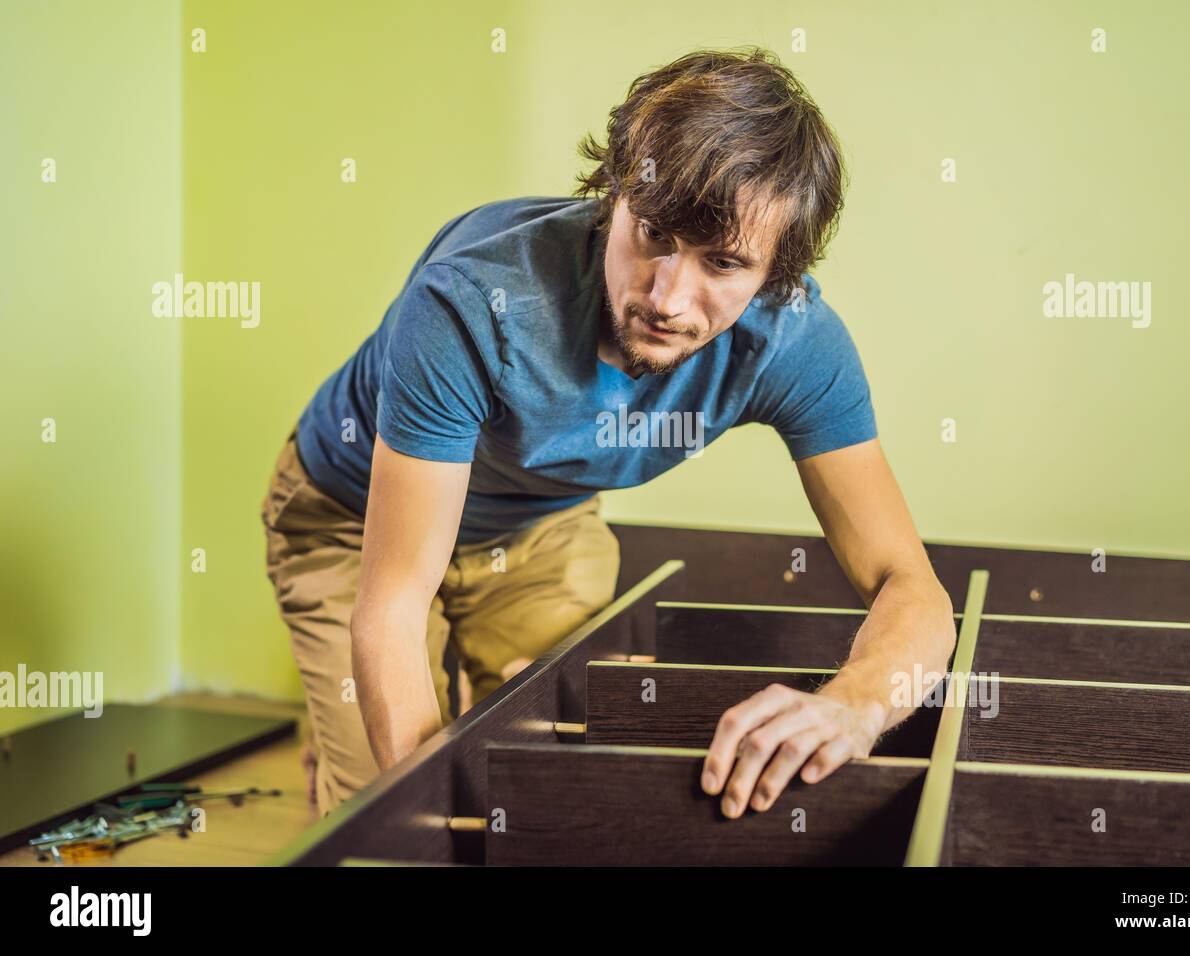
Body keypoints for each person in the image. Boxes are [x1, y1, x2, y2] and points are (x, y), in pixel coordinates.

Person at [262, 47, 956, 817]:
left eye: (723, 263)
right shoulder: (469, 303)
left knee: (554, 758)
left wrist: (854, 704)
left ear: (775, 277)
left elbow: (912, 587)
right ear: (613, 193)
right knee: (381, 813)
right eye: (654, 235)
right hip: (350, 519)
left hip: (541, 521)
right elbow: (392, 602)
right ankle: (339, 743)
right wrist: (435, 818)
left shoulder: (795, 343)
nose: (668, 296)